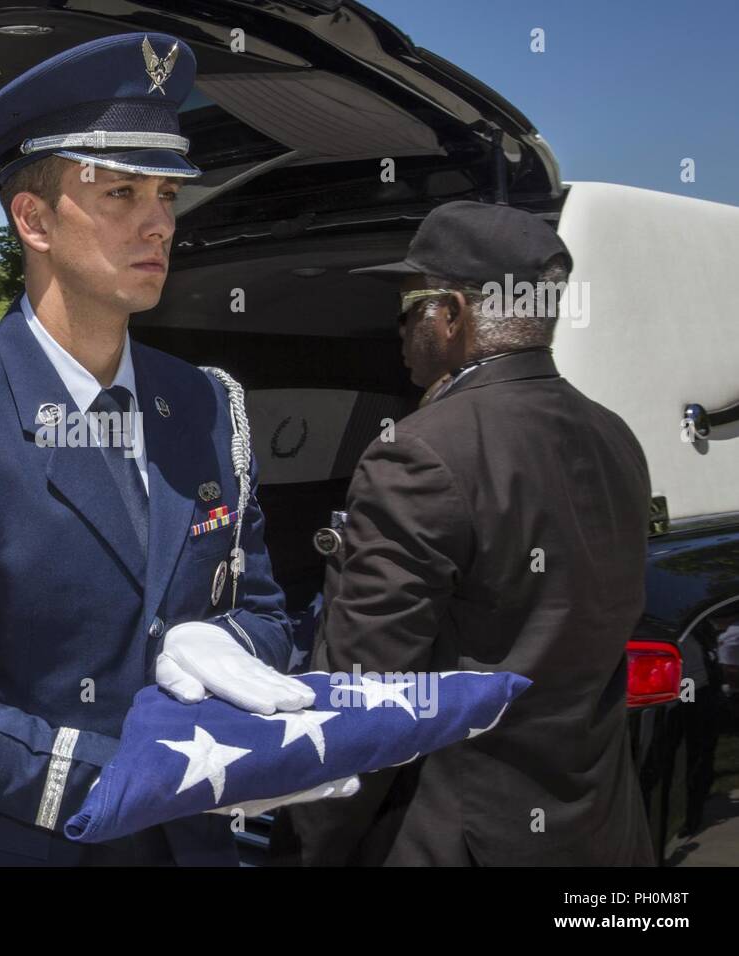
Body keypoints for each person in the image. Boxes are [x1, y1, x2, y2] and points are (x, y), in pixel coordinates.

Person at [0, 33, 344, 867]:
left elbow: (261, 609)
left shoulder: (205, 403)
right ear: (33, 218)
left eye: (167, 194)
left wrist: (223, 647)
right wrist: (168, 772)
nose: (158, 222)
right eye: (119, 193)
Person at [270, 201, 656, 866]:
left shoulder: (419, 453)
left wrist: (304, 849)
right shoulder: (614, 436)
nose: (398, 330)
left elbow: (370, 701)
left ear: (450, 314)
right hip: (597, 833)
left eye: (406, 307)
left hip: (455, 840)